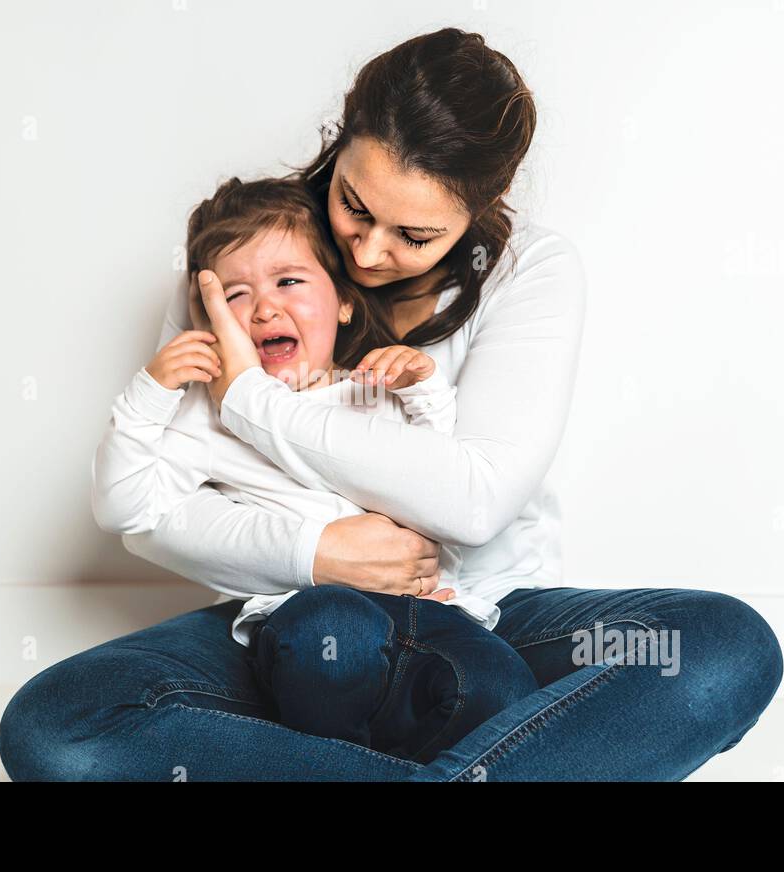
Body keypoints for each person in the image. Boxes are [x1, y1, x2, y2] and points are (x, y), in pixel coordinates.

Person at [0, 28, 783, 781]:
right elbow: (154, 515)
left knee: (723, 647)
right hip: (285, 623)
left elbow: (472, 504)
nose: (368, 252)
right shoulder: (250, 253)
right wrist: (315, 552)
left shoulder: (532, 273)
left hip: (487, 619)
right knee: (59, 726)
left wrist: (251, 402)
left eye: (412, 235)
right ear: (341, 139)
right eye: (353, 206)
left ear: (484, 203)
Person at [90, 174, 538, 762]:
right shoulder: (204, 419)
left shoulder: (372, 391)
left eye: (289, 281)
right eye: (234, 295)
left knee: (500, 682)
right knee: (335, 628)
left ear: (345, 301)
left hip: (425, 615)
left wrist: (425, 391)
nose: (264, 307)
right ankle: (338, 757)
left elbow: (446, 499)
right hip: (308, 625)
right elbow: (123, 506)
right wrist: (150, 394)